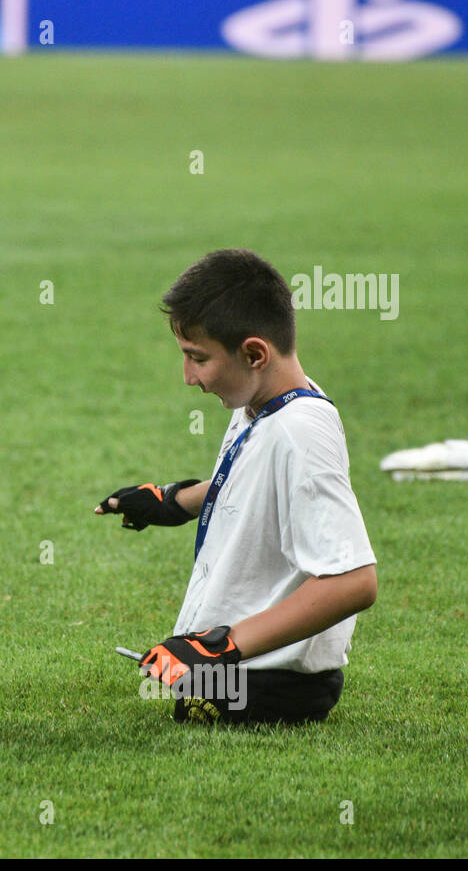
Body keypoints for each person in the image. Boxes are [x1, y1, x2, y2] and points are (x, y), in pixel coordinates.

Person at [95, 249, 377, 724]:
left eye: (198, 359)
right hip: (236, 668)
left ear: (254, 353)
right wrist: (174, 501)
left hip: (272, 685)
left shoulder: (298, 432)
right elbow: (256, 483)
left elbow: (354, 582)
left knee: (182, 717)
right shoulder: (262, 402)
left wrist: (222, 645)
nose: (188, 377)